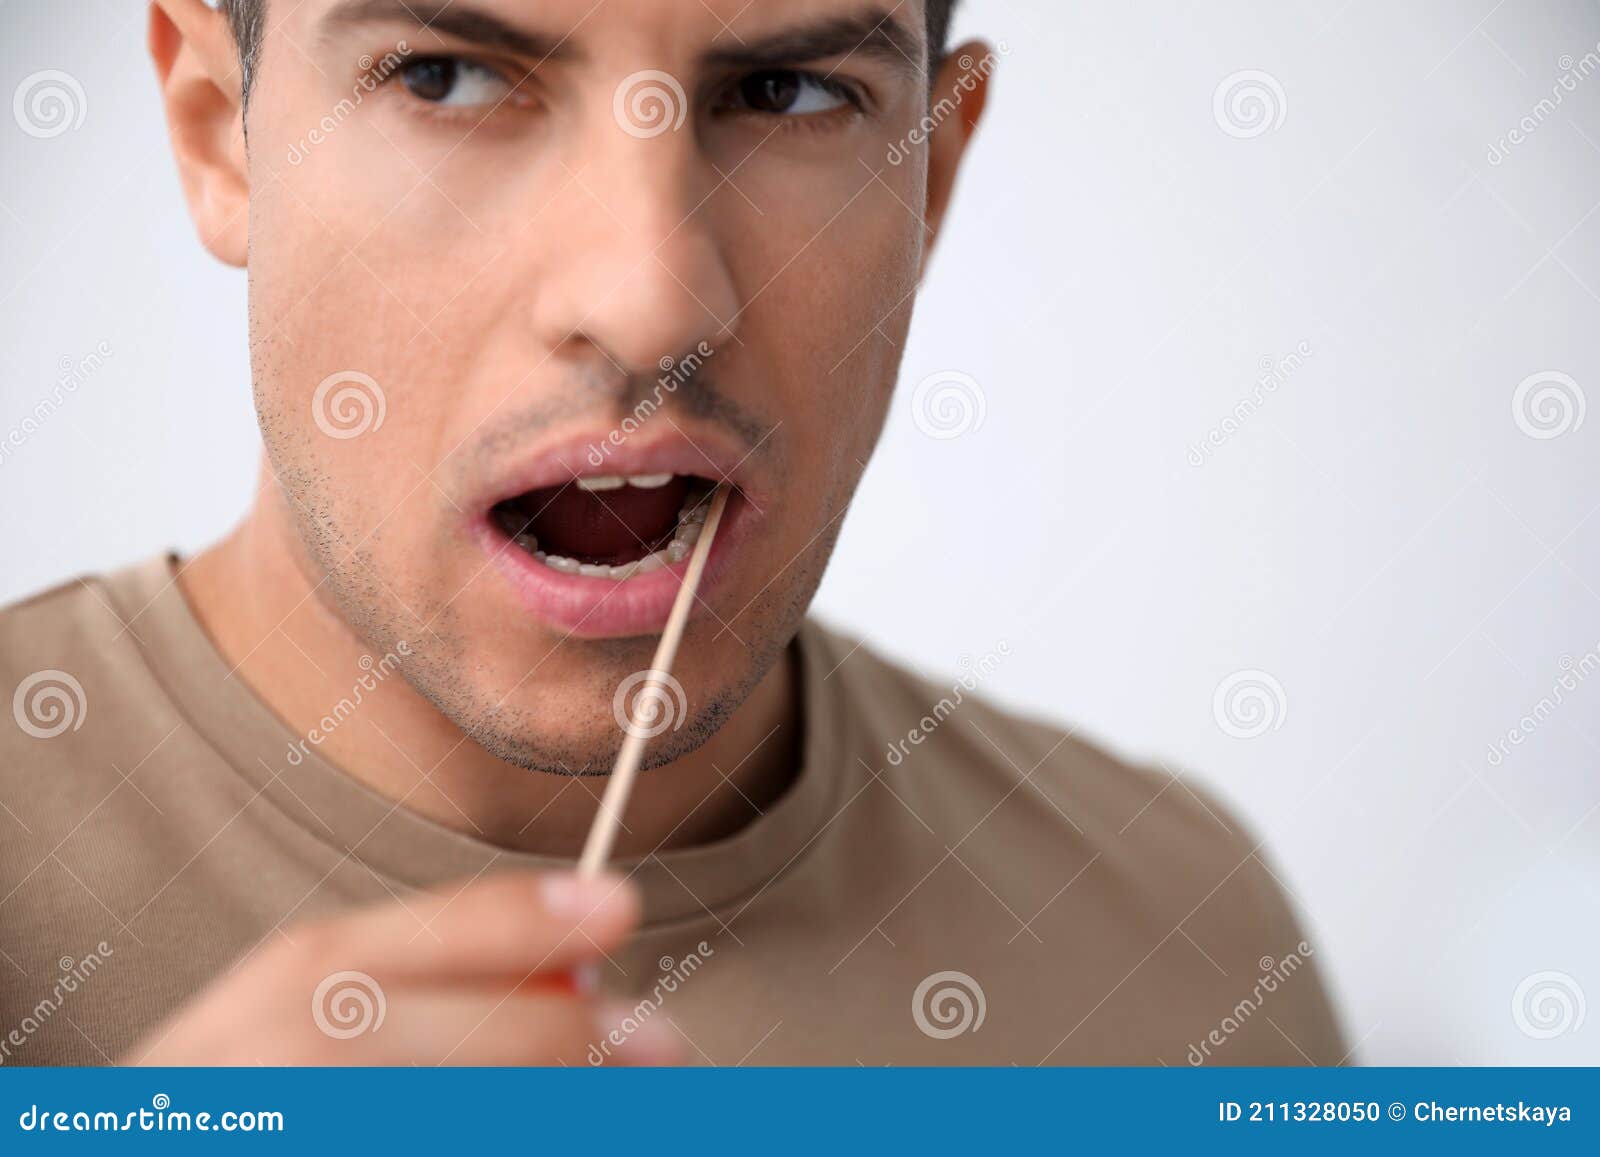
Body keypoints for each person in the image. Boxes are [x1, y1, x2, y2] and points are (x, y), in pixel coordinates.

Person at [0, 0, 1345, 1066]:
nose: (652, 307)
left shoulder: (1191, 952)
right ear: (217, 128)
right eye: (449, 80)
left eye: (789, 92)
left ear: (930, 175)